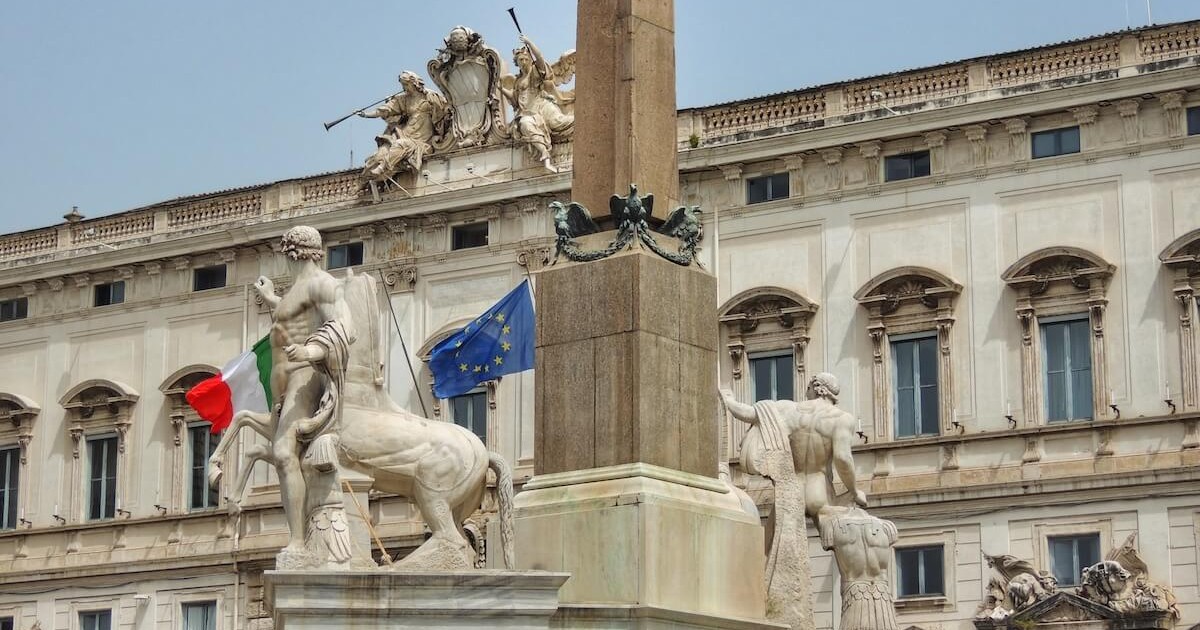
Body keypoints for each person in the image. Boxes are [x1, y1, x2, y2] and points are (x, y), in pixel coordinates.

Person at [253, 226, 356, 564]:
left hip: (306, 375)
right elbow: (293, 317)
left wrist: (311, 351)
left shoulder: (322, 283)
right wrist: (271, 298)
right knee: (283, 454)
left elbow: (345, 327)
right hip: (285, 382)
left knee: (284, 454)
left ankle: (298, 541)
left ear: (290, 251)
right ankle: (299, 536)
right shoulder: (297, 287)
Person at [719, 372, 866, 520]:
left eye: (808, 388)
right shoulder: (842, 419)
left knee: (778, 534)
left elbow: (748, 413)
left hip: (789, 492)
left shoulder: (788, 408)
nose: (806, 393)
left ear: (817, 388)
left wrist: (728, 399)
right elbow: (842, 458)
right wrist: (854, 491)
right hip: (818, 491)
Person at [502, 35, 574, 171]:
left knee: (561, 122)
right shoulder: (518, 81)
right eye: (520, 60)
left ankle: (587, 121)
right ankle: (544, 153)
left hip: (542, 108)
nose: (523, 62)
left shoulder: (535, 72)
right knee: (525, 124)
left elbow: (540, 58)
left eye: (526, 59)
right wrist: (502, 90)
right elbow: (515, 101)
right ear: (516, 63)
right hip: (527, 113)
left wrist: (529, 42)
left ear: (530, 60)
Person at [359, 71, 448, 181]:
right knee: (380, 154)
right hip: (405, 133)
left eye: (406, 84)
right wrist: (366, 114)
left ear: (414, 83)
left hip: (423, 139)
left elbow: (444, 113)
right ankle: (364, 182)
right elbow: (386, 110)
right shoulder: (404, 99)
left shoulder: (430, 96)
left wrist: (440, 134)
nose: (404, 88)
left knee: (400, 144)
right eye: (403, 85)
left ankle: (382, 168)